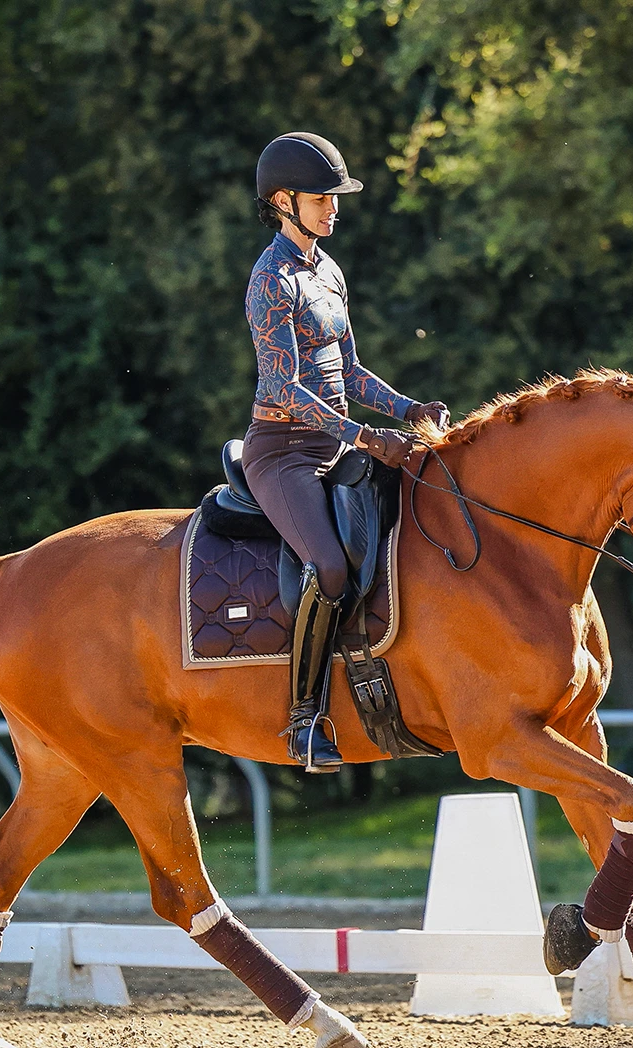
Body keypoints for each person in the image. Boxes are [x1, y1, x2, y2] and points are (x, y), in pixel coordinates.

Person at [243, 131, 448, 772]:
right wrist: (363, 436)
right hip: (284, 452)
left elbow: (349, 372)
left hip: (336, 441)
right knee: (329, 568)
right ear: (283, 201)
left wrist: (408, 410)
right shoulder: (270, 279)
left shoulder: (328, 272)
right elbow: (285, 386)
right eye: (321, 198)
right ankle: (304, 719)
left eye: (336, 198)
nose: (334, 208)